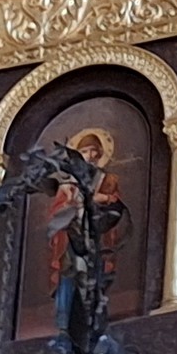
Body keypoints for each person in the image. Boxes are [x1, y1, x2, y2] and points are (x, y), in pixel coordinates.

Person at [47, 127, 127, 336]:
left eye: (94, 151)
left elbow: (116, 205)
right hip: (72, 239)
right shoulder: (68, 185)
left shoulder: (108, 180)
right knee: (69, 276)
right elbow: (57, 212)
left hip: (97, 237)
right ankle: (64, 321)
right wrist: (72, 206)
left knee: (95, 276)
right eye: (85, 151)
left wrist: (104, 200)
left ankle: (94, 318)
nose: (90, 156)